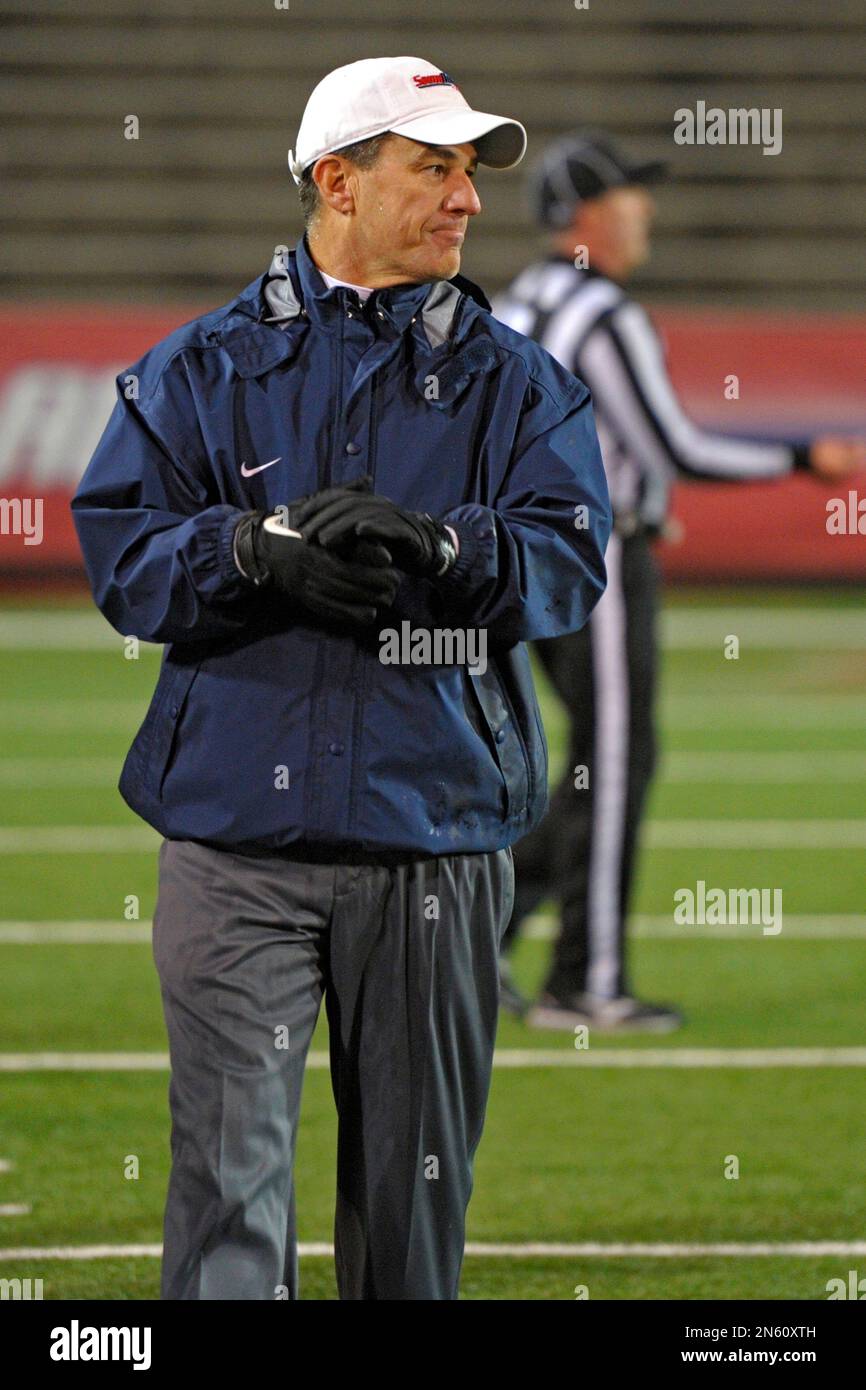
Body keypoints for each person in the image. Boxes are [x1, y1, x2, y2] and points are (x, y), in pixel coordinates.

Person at [70, 61, 611, 1300]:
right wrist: (244, 552)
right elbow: (123, 556)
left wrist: (449, 545)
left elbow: (568, 559)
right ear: (336, 180)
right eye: (434, 168)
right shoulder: (200, 368)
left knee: (414, 1204)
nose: (466, 200)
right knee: (225, 1188)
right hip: (233, 842)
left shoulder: (519, 378)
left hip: (433, 839)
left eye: (469, 173)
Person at [492, 129, 866, 1033]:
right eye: (626, 195)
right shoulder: (604, 313)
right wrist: (800, 454)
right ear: (585, 214)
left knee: (590, 760)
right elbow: (677, 446)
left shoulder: (519, 301)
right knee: (615, 761)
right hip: (600, 561)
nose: (643, 210)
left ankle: (484, 935)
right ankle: (585, 982)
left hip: (530, 558)